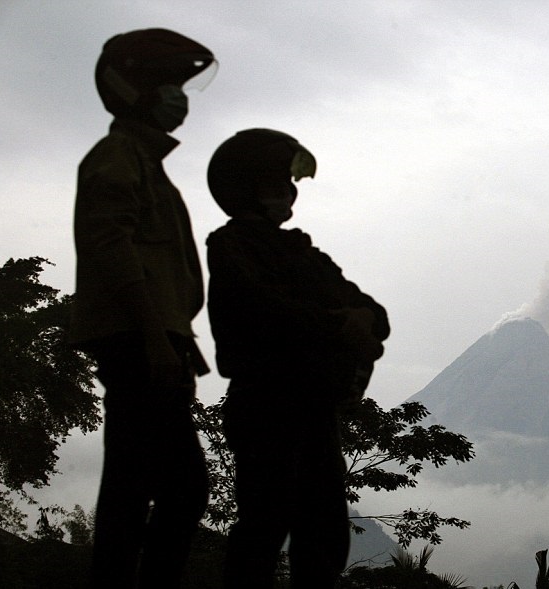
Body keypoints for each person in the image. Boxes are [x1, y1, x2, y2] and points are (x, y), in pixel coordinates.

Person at [205, 128, 390, 588]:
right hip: (266, 401)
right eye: (278, 182)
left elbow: (375, 314)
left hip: (313, 406)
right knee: (265, 524)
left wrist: (352, 319)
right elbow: (261, 307)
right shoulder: (231, 245)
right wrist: (340, 323)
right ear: (249, 186)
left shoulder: (304, 253)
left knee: (324, 529)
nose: (289, 192)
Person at [69, 28, 216, 589]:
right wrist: (157, 338)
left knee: (133, 483)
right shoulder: (118, 159)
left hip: (154, 340)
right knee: (179, 488)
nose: (179, 97)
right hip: (139, 342)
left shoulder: (143, 162)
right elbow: (112, 251)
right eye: (171, 85)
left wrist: (178, 341)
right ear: (138, 92)